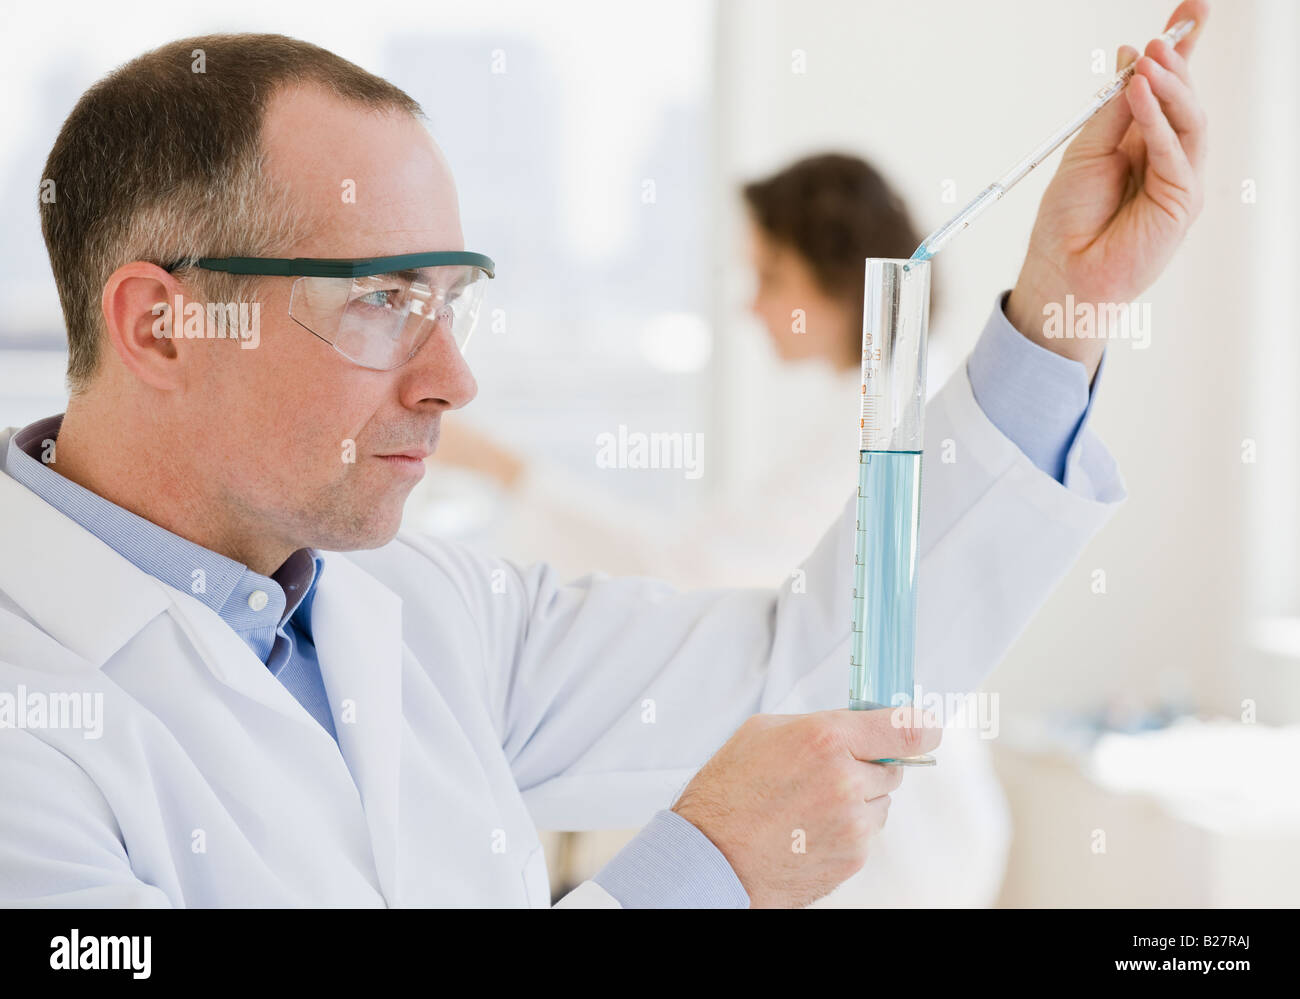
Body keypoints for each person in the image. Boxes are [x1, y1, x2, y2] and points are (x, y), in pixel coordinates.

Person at [0, 2, 1207, 908]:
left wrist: (1061, 317)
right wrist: (692, 878)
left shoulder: (421, 611)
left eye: (448, 301)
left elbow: (818, 663)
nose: (451, 380)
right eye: (379, 301)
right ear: (161, 324)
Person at [429, 153, 1011, 906]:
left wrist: (508, 469)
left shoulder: (891, 419)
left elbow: (694, 567)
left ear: (835, 277)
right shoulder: (870, 402)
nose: (751, 306)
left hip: (900, 846)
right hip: (899, 824)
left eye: (770, 276)